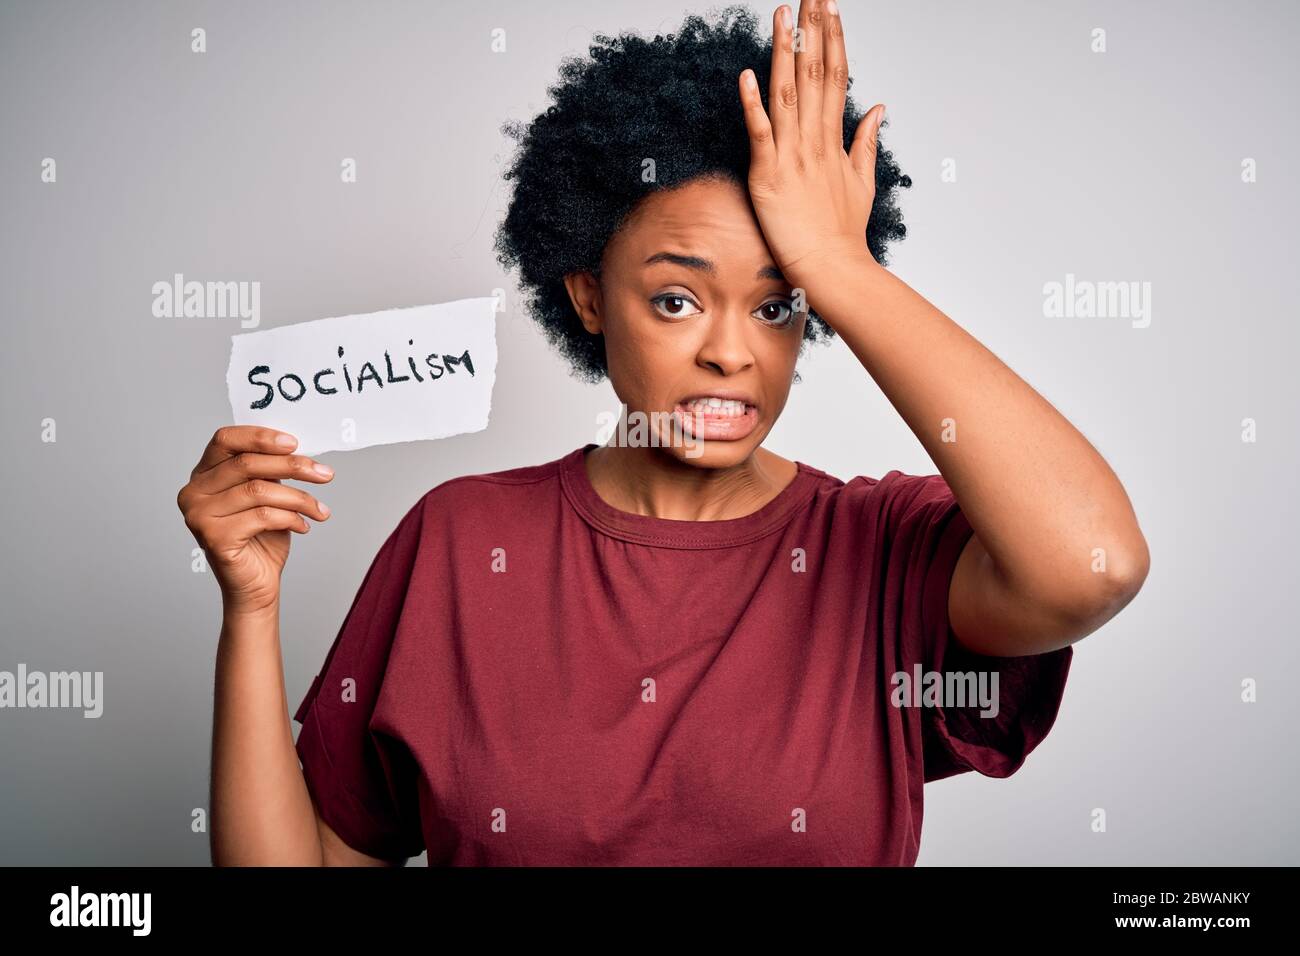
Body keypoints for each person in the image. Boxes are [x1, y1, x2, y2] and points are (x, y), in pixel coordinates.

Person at [177, 1, 1149, 866]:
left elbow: (1093, 563)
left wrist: (839, 267)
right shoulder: (460, 540)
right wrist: (250, 607)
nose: (732, 353)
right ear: (590, 295)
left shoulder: (884, 550)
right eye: (677, 298)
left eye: (778, 306)